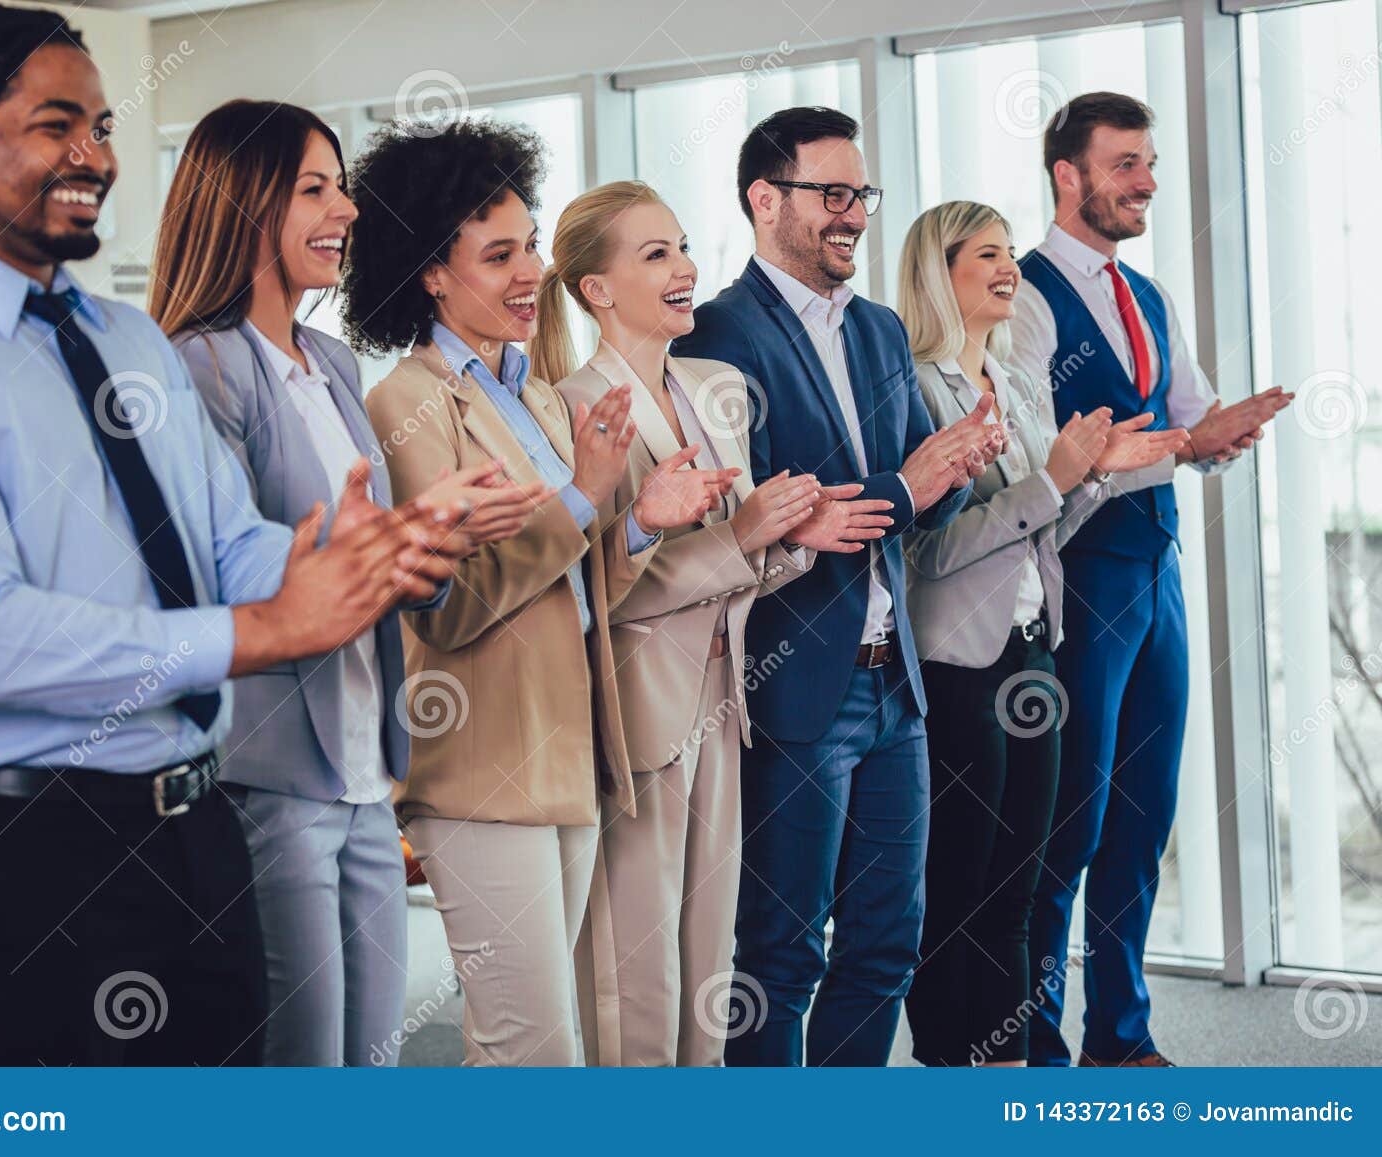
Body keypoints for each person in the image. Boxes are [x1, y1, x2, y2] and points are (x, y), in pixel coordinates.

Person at [0, 4, 460, 1066]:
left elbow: (219, 543)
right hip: (9, 852)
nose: (93, 156)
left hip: (189, 836)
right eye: (58, 124)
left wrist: (337, 561)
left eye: (102, 127)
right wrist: (248, 633)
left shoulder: (126, 339)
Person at [149, 100, 539, 1066]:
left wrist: (431, 540)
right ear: (243, 205)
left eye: (342, 187)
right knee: (304, 1064)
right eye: (313, 189)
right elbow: (211, 575)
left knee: (371, 1062)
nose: (346, 210)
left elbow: (387, 570)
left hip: (367, 769)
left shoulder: (328, 361)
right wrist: (358, 550)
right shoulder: (198, 368)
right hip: (268, 772)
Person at [344, 120, 732, 1066]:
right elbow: (450, 603)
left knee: (520, 1048)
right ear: (433, 273)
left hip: (570, 753)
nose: (531, 272)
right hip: (478, 766)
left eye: (529, 246)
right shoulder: (405, 403)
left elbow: (579, 577)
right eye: (500, 253)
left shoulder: (543, 395)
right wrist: (588, 497)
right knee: (535, 1049)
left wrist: (639, 515)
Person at [532, 181, 895, 1066]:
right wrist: (739, 534)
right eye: (655, 254)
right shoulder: (568, 407)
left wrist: (789, 536)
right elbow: (598, 589)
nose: (687, 268)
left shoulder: (714, 386)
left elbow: (742, 560)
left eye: (684, 246)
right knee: (638, 980)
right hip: (634, 718)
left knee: (711, 968)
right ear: (596, 289)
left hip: (726, 707)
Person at [671, 106, 1004, 1066]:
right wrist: (912, 481)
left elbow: (908, 511)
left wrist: (957, 467)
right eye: (832, 193)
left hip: (895, 682)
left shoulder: (881, 331)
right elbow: (772, 507)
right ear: (763, 200)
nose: (853, 214)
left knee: (886, 945)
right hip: (793, 686)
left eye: (862, 194)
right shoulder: (716, 335)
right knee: (779, 956)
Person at [1011, 92, 1293, 1067]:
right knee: (1067, 821)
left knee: (1141, 813)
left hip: (1152, 569)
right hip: (1077, 577)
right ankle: (1033, 1037)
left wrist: (1221, 434)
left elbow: (1184, 413)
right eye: (1125, 163)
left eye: (1148, 162)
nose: (1146, 183)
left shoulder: (1148, 295)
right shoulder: (1027, 292)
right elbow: (1042, 453)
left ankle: (1119, 1033)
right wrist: (1183, 440)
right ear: (1067, 175)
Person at [895, 200, 1188, 1067]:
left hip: (1033, 652)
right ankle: (954, 1070)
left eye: (1005, 252)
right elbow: (929, 550)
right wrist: (1053, 480)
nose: (1006, 265)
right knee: (958, 894)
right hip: (960, 667)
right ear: (938, 273)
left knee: (1021, 888)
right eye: (984, 254)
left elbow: (1040, 526)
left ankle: (1012, 1073)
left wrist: (1090, 479)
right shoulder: (914, 386)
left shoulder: (1019, 384)